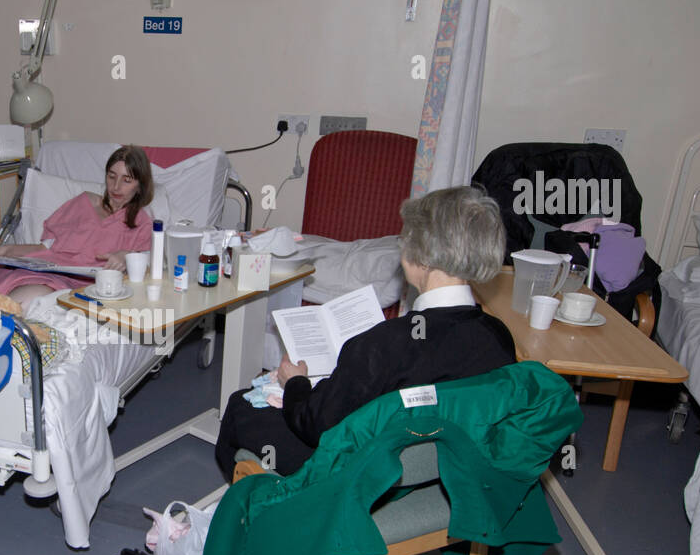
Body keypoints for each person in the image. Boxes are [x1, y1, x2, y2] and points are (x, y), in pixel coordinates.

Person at [215, 185, 517, 479]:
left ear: (422, 257)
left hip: (365, 475)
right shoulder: (499, 337)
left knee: (242, 405)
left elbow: (316, 424)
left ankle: (254, 513)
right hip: (448, 472)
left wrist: (295, 383)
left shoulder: (383, 344)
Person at [0, 144, 156, 310]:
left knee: (21, 301)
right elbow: (45, 247)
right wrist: (8, 252)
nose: (116, 186)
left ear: (139, 185)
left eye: (127, 180)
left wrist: (127, 256)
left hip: (68, 284)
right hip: (35, 270)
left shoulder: (141, 222)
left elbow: (149, 270)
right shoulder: (82, 202)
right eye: (111, 176)